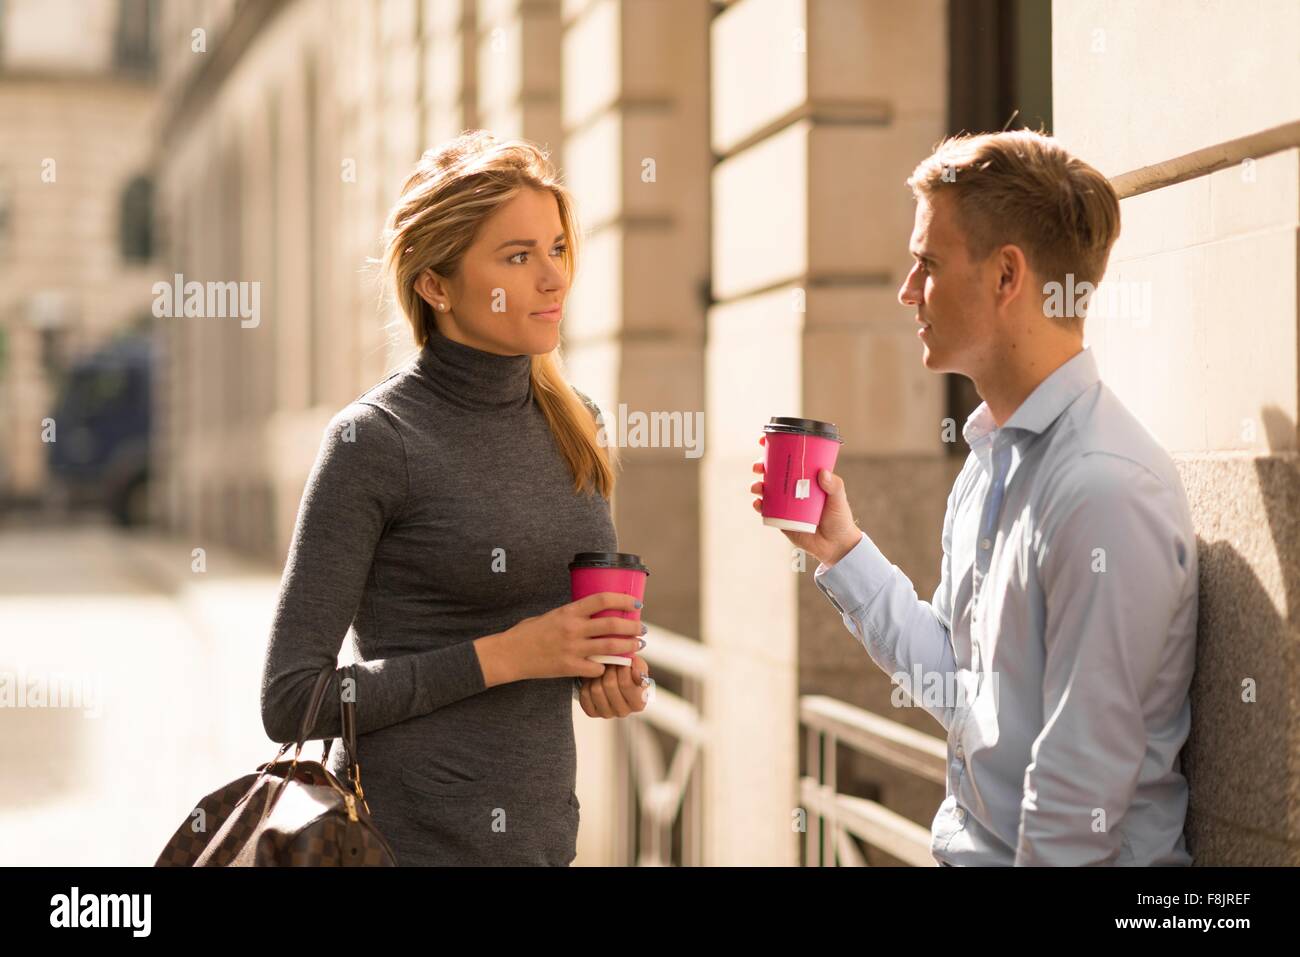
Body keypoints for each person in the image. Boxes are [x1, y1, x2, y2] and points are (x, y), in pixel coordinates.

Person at [751, 130, 1198, 866]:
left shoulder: (1103, 490)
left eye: (927, 263)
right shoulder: (989, 461)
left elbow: (1072, 809)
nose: (907, 290)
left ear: (1006, 276)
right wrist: (843, 550)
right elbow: (962, 693)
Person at [261, 130, 651, 866]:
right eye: (518, 256)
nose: (553, 278)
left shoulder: (579, 424)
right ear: (435, 285)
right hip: (401, 848)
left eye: (558, 248)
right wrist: (505, 654)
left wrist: (613, 673)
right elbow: (291, 697)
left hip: (543, 846)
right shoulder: (373, 441)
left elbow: (578, 636)